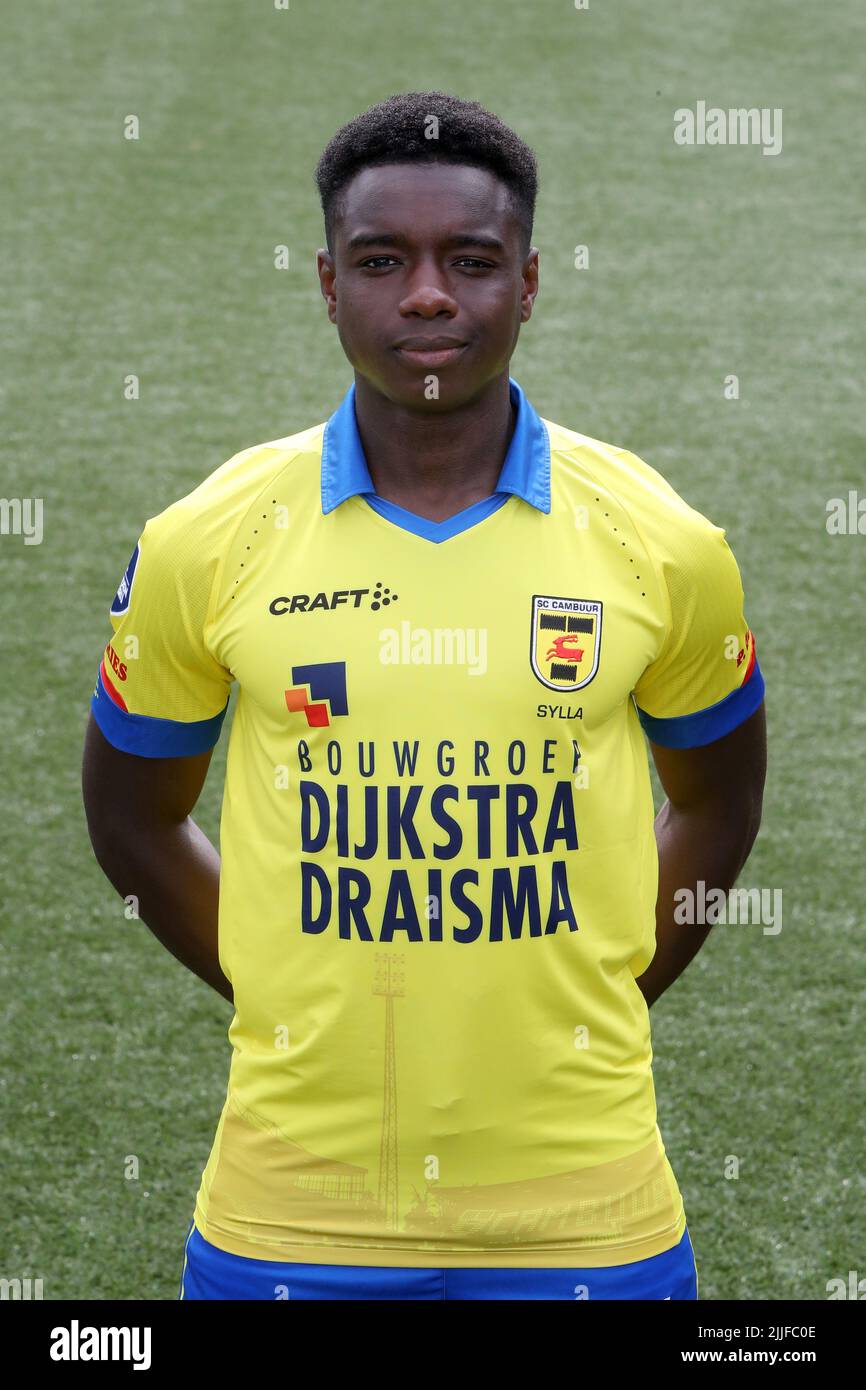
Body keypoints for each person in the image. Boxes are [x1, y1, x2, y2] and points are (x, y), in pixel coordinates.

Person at [82, 91, 766, 1301]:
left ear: (531, 280)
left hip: (585, 1208)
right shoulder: (209, 539)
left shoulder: (661, 542)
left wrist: (601, 982)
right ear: (327, 284)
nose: (428, 297)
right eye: (381, 261)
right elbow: (133, 819)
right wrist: (286, 977)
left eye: (471, 261)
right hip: (289, 1209)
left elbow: (714, 802)